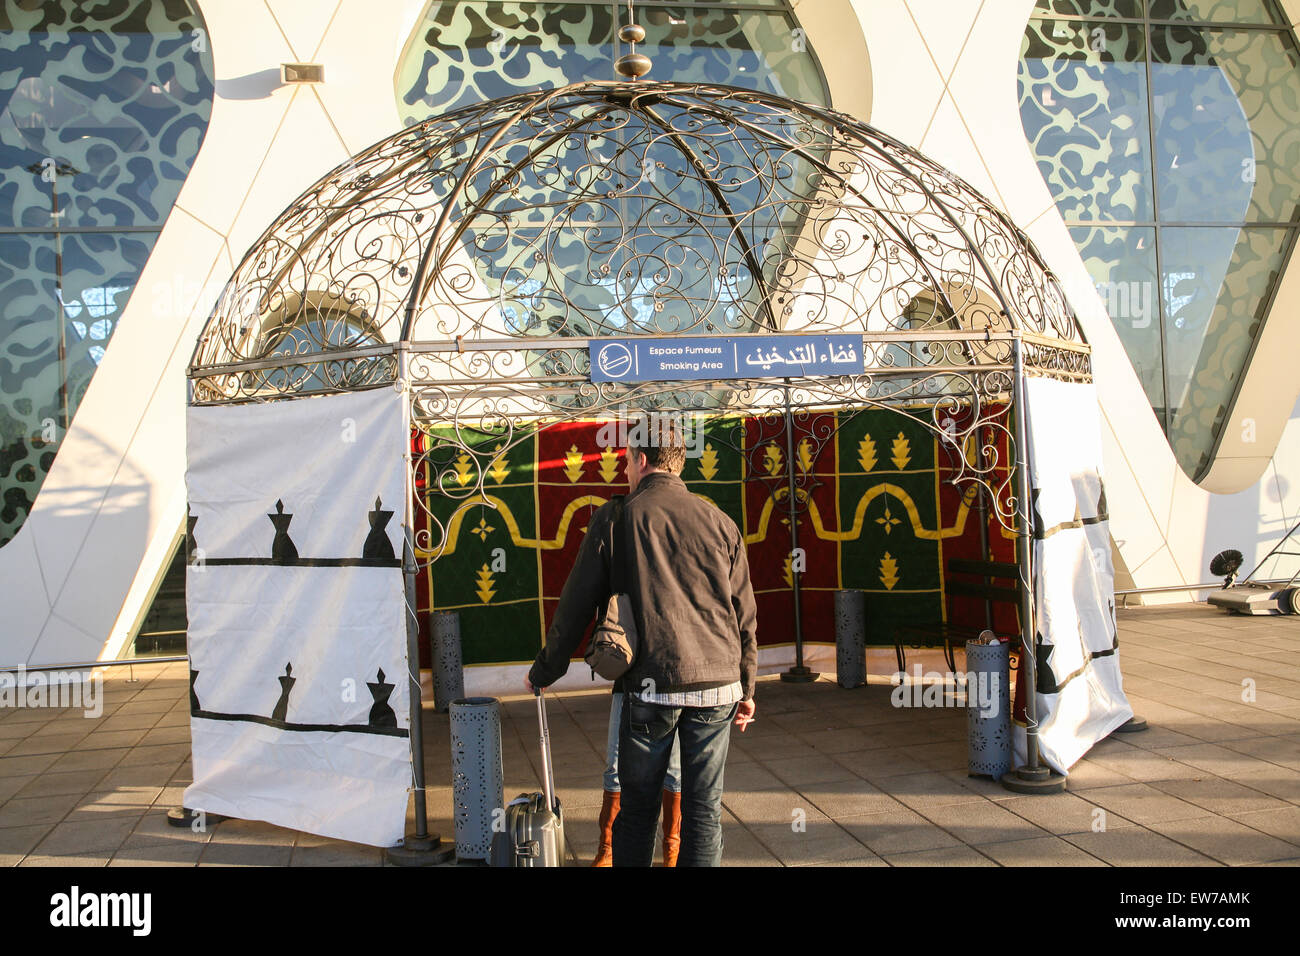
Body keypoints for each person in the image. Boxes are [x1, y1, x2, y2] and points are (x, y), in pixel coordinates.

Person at [526, 417, 757, 867]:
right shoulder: (720, 521)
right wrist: (748, 689)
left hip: (653, 684)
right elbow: (744, 615)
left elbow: (576, 605)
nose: (625, 473)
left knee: (638, 809)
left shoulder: (615, 518)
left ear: (642, 460)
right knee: (704, 810)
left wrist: (545, 671)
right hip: (719, 686)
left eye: (627, 462)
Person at [594, 693, 682, 867]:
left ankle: (672, 848)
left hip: (676, 685)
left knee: (674, 772)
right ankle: (607, 848)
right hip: (631, 685)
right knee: (615, 768)